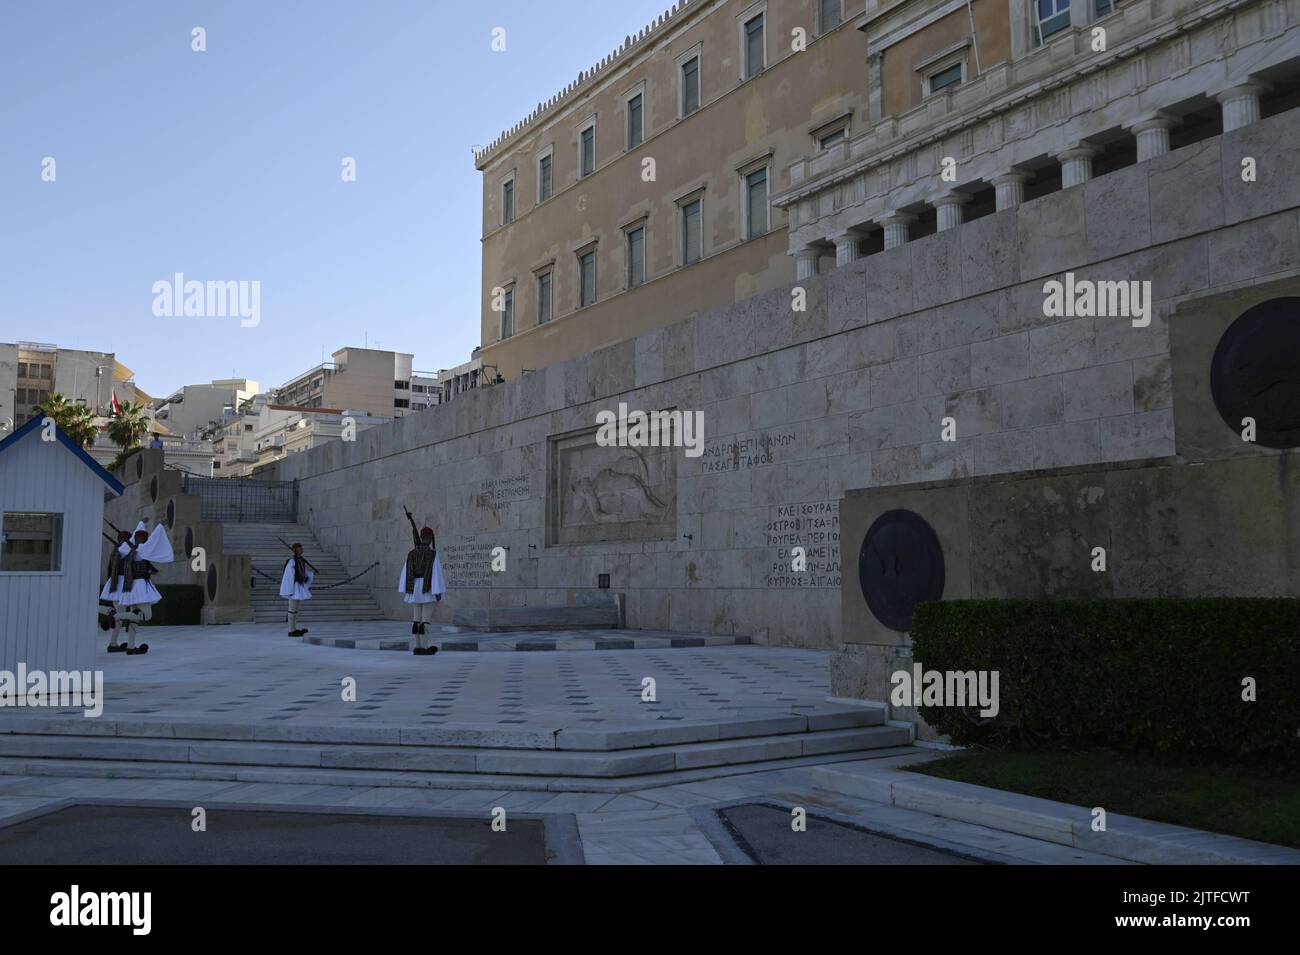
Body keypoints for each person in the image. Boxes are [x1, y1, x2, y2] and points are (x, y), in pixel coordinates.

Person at [114, 522, 175, 656]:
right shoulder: (143, 551)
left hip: (130, 587)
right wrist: (161, 526)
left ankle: (131, 646)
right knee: (146, 616)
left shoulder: (128, 550)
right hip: (140, 586)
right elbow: (154, 543)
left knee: (134, 618)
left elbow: (144, 563)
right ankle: (116, 615)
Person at [397, 511, 444, 656]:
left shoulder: (411, 553)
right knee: (425, 621)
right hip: (427, 588)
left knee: (416, 620)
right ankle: (424, 647)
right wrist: (438, 592)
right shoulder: (432, 554)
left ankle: (417, 646)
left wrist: (407, 590)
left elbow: (406, 572)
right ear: (429, 538)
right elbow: (436, 574)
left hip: (414, 589)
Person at [99, 530, 132, 652]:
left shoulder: (116, 551)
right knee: (120, 615)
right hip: (120, 586)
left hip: (117, 586)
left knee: (120, 615)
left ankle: (114, 642)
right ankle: (113, 643)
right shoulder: (121, 551)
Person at [280, 542, 315, 637]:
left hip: (299, 586)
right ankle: (291, 630)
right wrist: (290, 589)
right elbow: (289, 575)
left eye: (301, 548)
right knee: (292, 609)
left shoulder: (301, 560)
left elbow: (304, 572)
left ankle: (294, 629)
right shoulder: (292, 561)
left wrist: (307, 577)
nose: (301, 550)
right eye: (300, 548)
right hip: (293, 587)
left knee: (295, 609)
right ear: (295, 550)